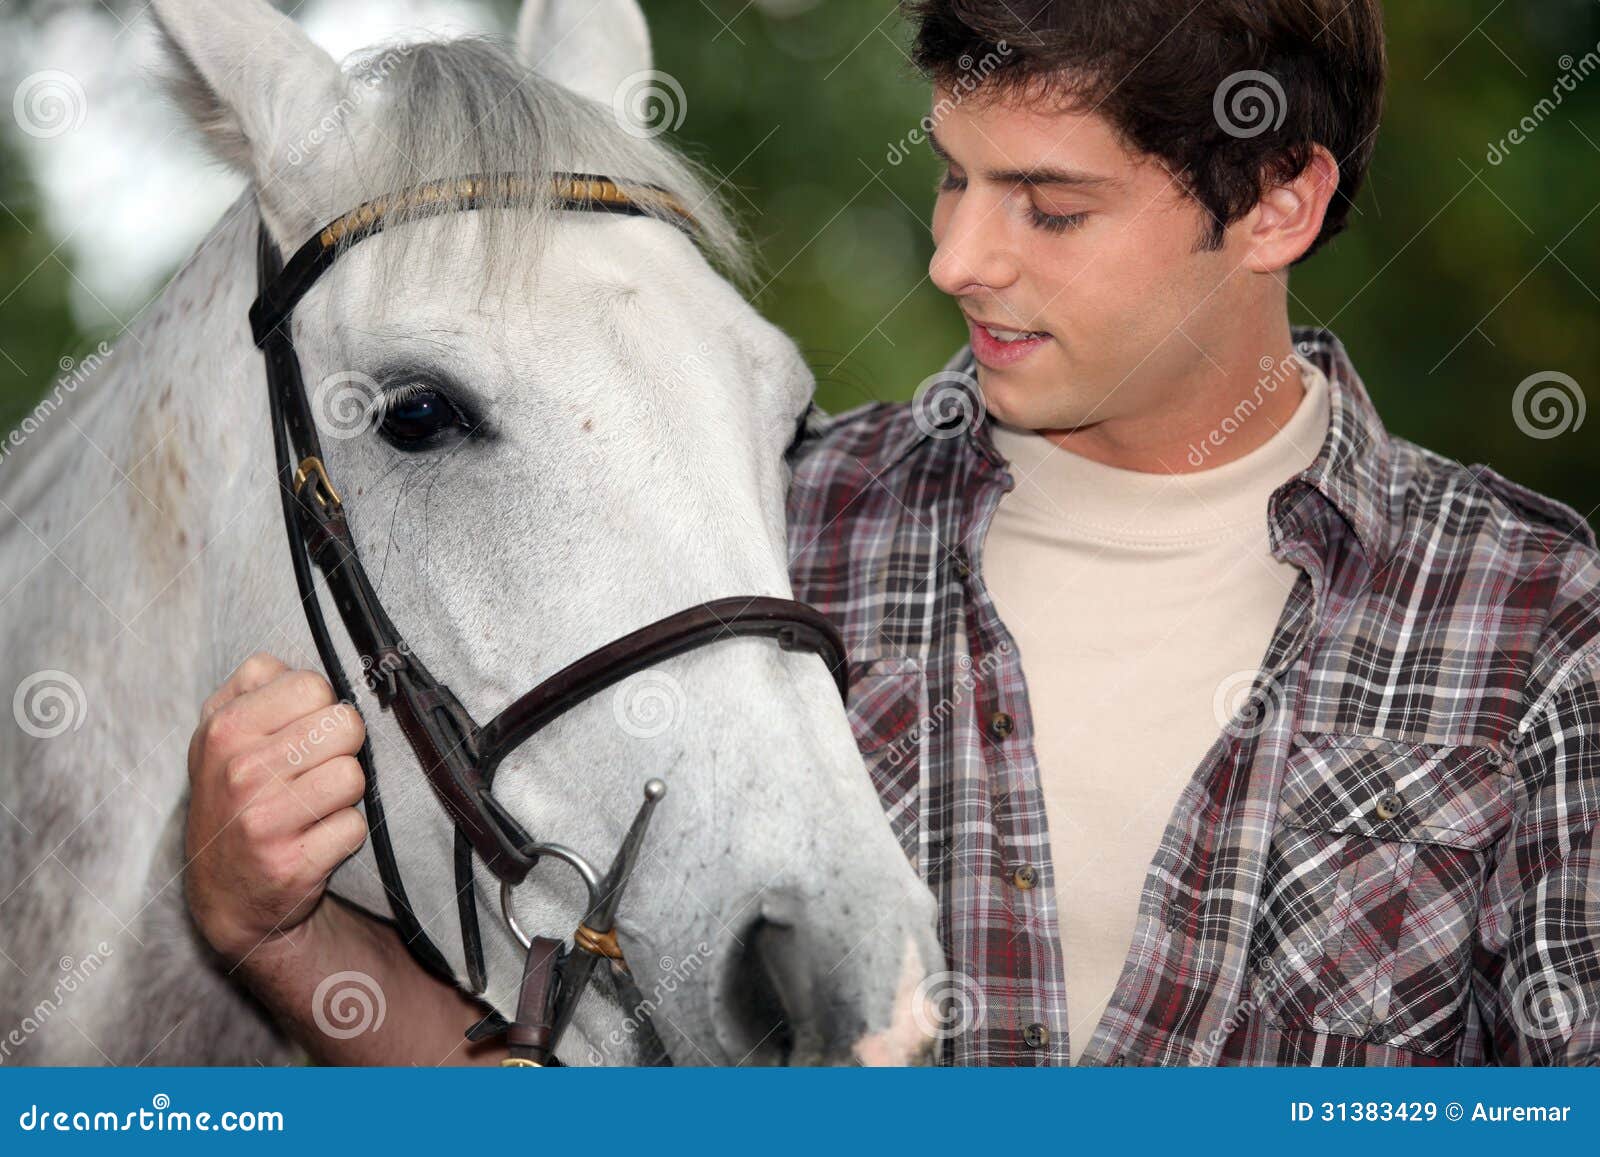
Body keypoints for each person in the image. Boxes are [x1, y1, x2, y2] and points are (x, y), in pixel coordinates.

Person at [187, 0, 1600, 1065]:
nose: (957, 259)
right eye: (954, 177)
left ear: (1279, 201)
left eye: (1051, 207)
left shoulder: (1536, 625)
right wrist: (284, 934)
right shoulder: (774, 543)